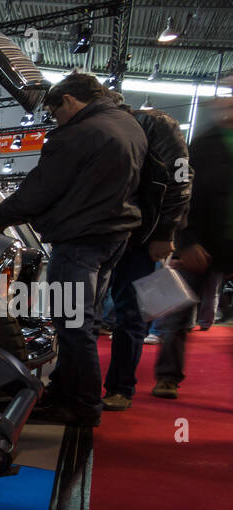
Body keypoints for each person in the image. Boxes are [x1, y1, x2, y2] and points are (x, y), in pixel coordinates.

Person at [0, 73, 147, 427]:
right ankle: (65, 391)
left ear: (68, 101)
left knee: (73, 324)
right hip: (113, 237)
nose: (56, 121)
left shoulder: (77, 134)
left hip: (80, 240)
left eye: (56, 114)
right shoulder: (127, 124)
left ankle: (83, 405)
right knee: (84, 319)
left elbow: (39, 190)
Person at [100, 91, 191, 410]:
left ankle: (121, 387)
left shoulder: (157, 125)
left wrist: (165, 232)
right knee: (86, 311)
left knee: (130, 311)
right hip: (99, 234)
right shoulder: (97, 131)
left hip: (139, 235)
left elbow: (181, 181)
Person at [153, 95, 233, 399]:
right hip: (202, 243)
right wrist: (186, 242)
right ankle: (168, 377)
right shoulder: (200, 146)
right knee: (177, 313)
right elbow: (182, 195)